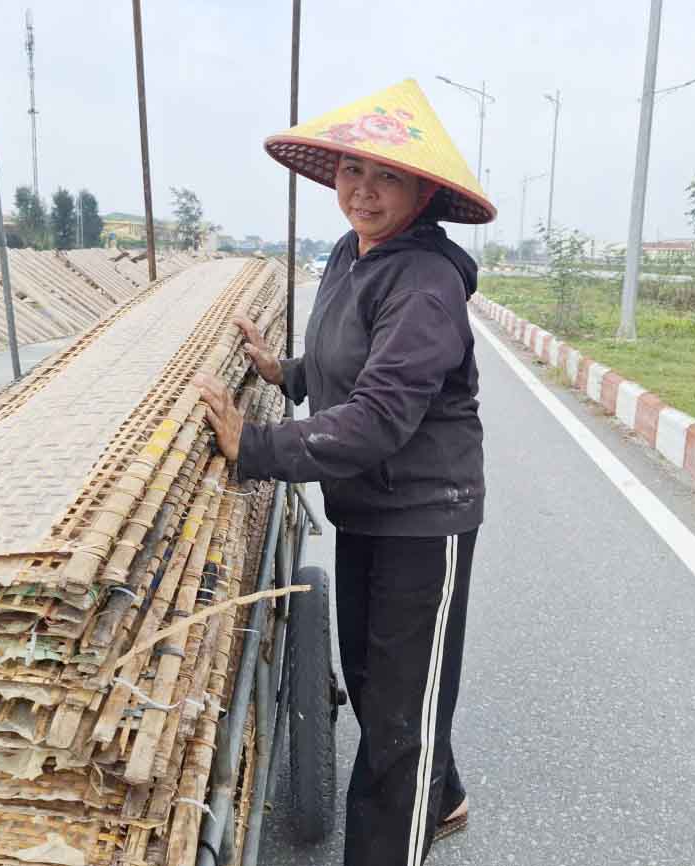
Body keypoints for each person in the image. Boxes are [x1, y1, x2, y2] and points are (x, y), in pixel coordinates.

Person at [193, 78, 494, 866]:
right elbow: (343, 364)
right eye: (352, 171)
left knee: (395, 729)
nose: (362, 189)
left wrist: (254, 450)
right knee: (374, 686)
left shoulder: (426, 283)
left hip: (426, 518)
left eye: (386, 175)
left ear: (423, 189)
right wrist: (282, 372)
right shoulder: (352, 254)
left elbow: (379, 416)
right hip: (365, 506)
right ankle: (446, 793)